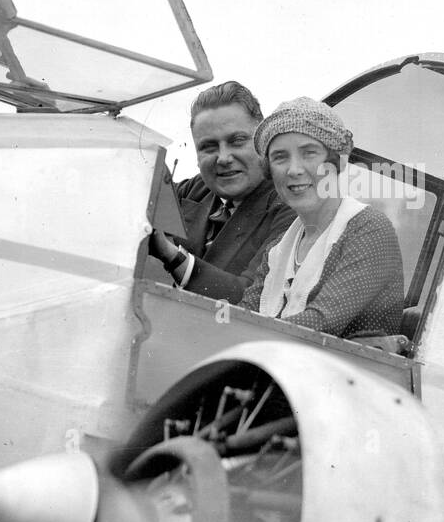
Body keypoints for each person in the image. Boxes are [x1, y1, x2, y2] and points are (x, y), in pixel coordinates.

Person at [241, 97, 404, 339]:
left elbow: (321, 323)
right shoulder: (278, 249)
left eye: (309, 153)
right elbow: (243, 315)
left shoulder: (370, 229)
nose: (294, 169)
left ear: (336, 162)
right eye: (280, 157)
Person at [143, 81, 295, 302]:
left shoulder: (292, 208)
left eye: (237, 141)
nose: (223, 158)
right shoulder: (194, 189)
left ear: (263, 142)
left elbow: (250, 297)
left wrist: (171, 255)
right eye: (209, 147)